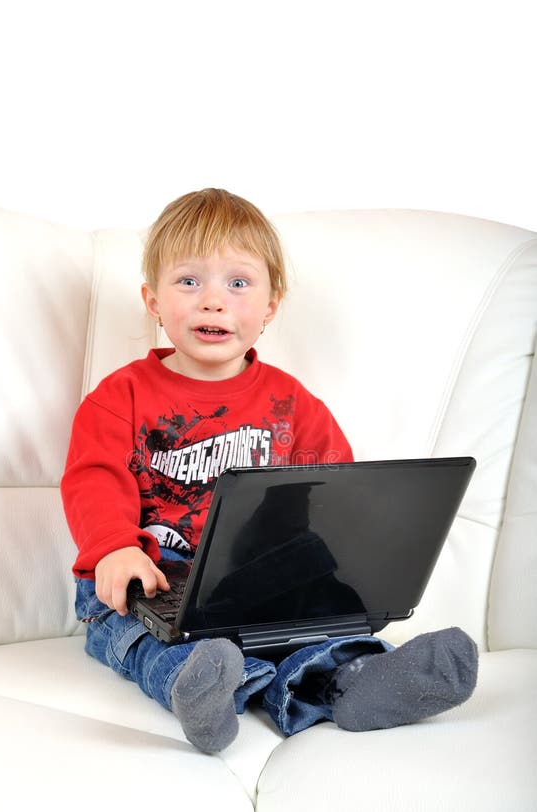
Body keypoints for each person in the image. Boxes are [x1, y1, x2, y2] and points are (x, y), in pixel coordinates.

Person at [61, 188, 478, 753]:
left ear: (270, 307)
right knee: (149, 633)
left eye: (238, 283)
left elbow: (338, 490)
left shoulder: (292, 404)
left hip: (251, 585)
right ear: (153, 301)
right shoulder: (119, 398)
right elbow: (93, 479)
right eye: (189, 281)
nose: (213, 301)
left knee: (311, 620)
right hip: (150, 578)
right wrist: (114, 548)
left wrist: (336, 568)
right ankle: (199, 686)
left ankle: (359, 679)